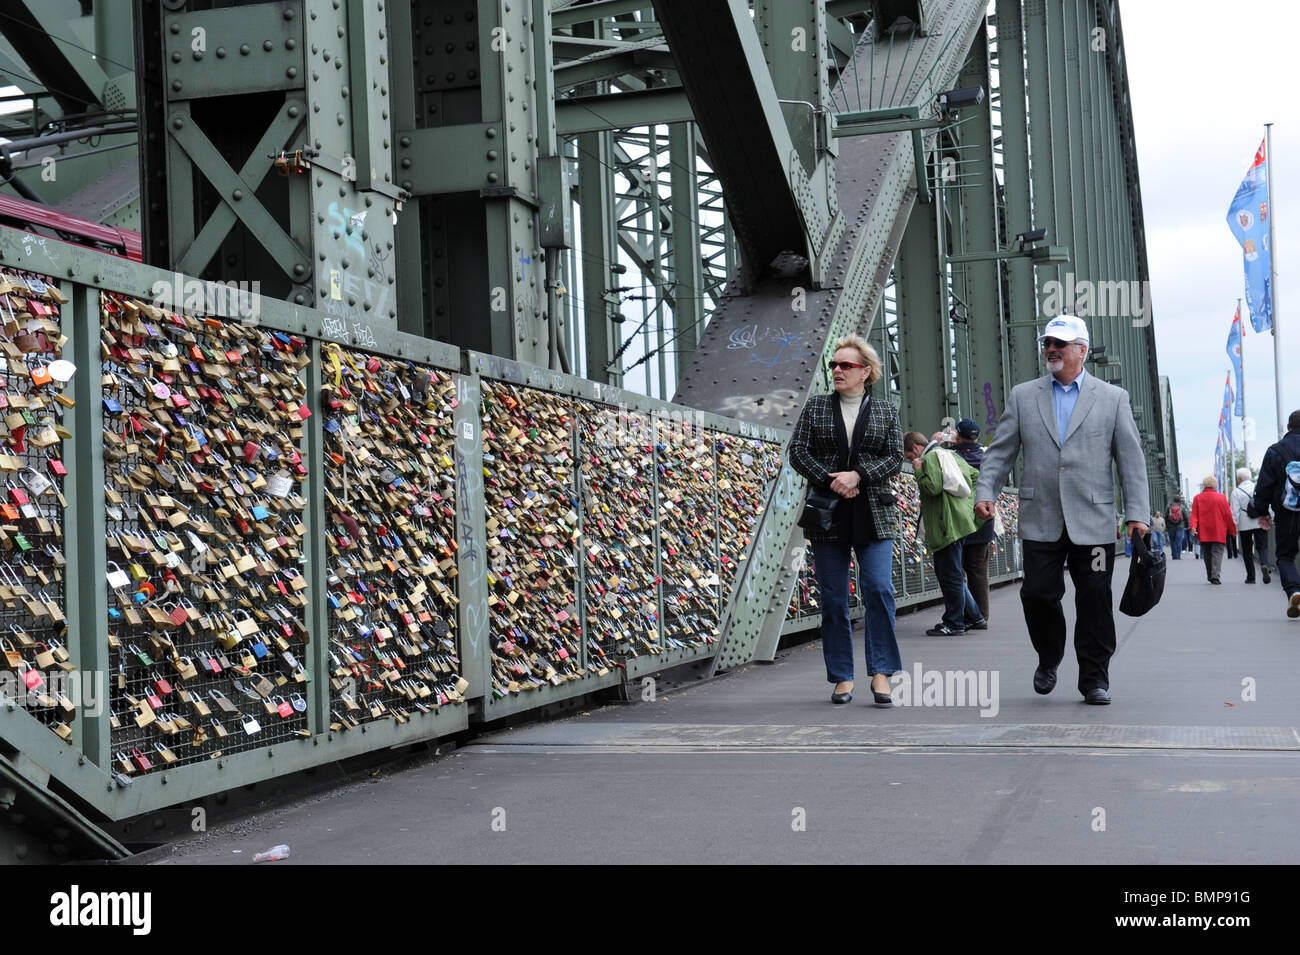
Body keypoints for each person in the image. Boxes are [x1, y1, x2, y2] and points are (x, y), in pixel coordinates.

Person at [973, 314, 1149, 705]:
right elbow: (1001, 451)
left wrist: (1137, 513)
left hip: (1096, 521)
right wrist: (985, 491)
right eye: (1047, 343)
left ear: (1082, 350)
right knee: (1037, 594)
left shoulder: (1112, 398)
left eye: (1060, 343)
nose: (1051, 349)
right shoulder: (1023, 395)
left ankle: (1094, 678)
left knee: (1095, 598)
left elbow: (1131, 461)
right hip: (1041, 518)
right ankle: (1049, 656)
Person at [789, 335, 903, 705]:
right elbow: (798, 453)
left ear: (865, 371)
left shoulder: (885, 411)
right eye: (834, 365)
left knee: (879, 590)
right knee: (835, 598)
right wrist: (832, 479)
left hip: (874, 512)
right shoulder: (816, 407)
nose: (837, 370)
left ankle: (882, 671)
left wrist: (859, 476)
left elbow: (894, 458)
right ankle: (841, 676)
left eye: (846, 365)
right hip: (828, 514)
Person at [903, 430, 987, 636]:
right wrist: (965, 503)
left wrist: (918, 470)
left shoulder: (930, 458)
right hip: (958, 520)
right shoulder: (951, 454)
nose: (912, 459)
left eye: (910, 456)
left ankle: (954, 622)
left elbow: (932, 488)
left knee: (949, 575)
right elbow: (975, 477)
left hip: (944, 524)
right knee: (953, 573)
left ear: (915, 448)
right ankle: (974, 616)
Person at [1252, 410, 1300, 618]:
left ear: (1288, 427)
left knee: (1285, 556)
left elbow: (1264, 486)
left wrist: (1262, 511)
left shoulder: (1275, 450)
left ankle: (1294, 591)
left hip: (1288, 512)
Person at [950, 418, 994, 623]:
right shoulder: (987, 456)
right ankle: (981, 614)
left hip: (957, 521)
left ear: (958, 435)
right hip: (983, 520)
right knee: (977, 570)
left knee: (954, 570)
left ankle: (964, 613)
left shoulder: (951, 456)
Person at [1189, 475, 1235, 585]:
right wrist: (1232, 530)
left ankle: (1210, 575)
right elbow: (1228, 516)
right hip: (1219, 531)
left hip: (1204, 532)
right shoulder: (1222, 498)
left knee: (1207, 554)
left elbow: (1194, 515)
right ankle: (1215, 575)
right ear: (1215, 485)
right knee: (1217, 553)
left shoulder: (1197, 498)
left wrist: (1193, 527)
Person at [1231, 466, 1272, 585]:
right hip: (1260, 521)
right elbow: (1267, 503)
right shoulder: (1258, 487)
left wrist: (1235, 526)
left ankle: (1251, 577)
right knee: (1262, 546)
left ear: (1239, 479)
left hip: (1245, 524)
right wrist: (1271, 517)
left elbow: (1235, 511)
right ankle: (1264, 564)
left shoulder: (1236, 492)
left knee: (1247, 550)